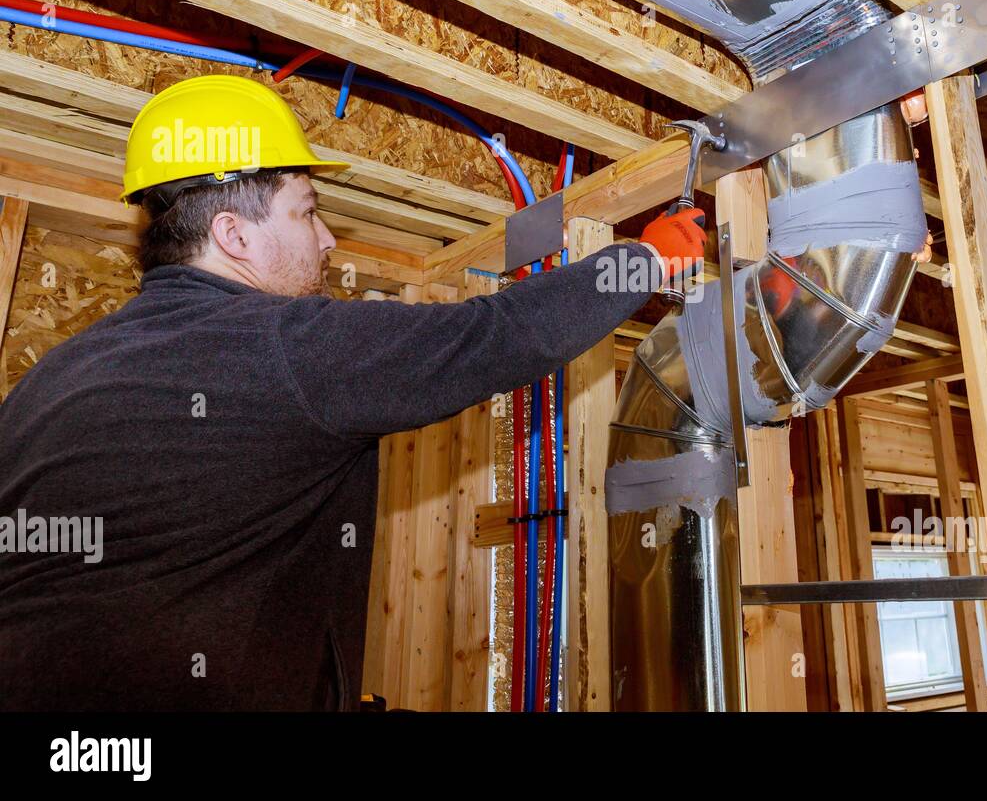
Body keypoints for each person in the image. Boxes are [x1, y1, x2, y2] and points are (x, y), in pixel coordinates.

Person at [0, 75, 707, 711]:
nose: (329, 239)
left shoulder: (49, 380)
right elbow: (496, 334)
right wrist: (644, 260)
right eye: (307, 212)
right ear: (233, 234)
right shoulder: (286, 345)